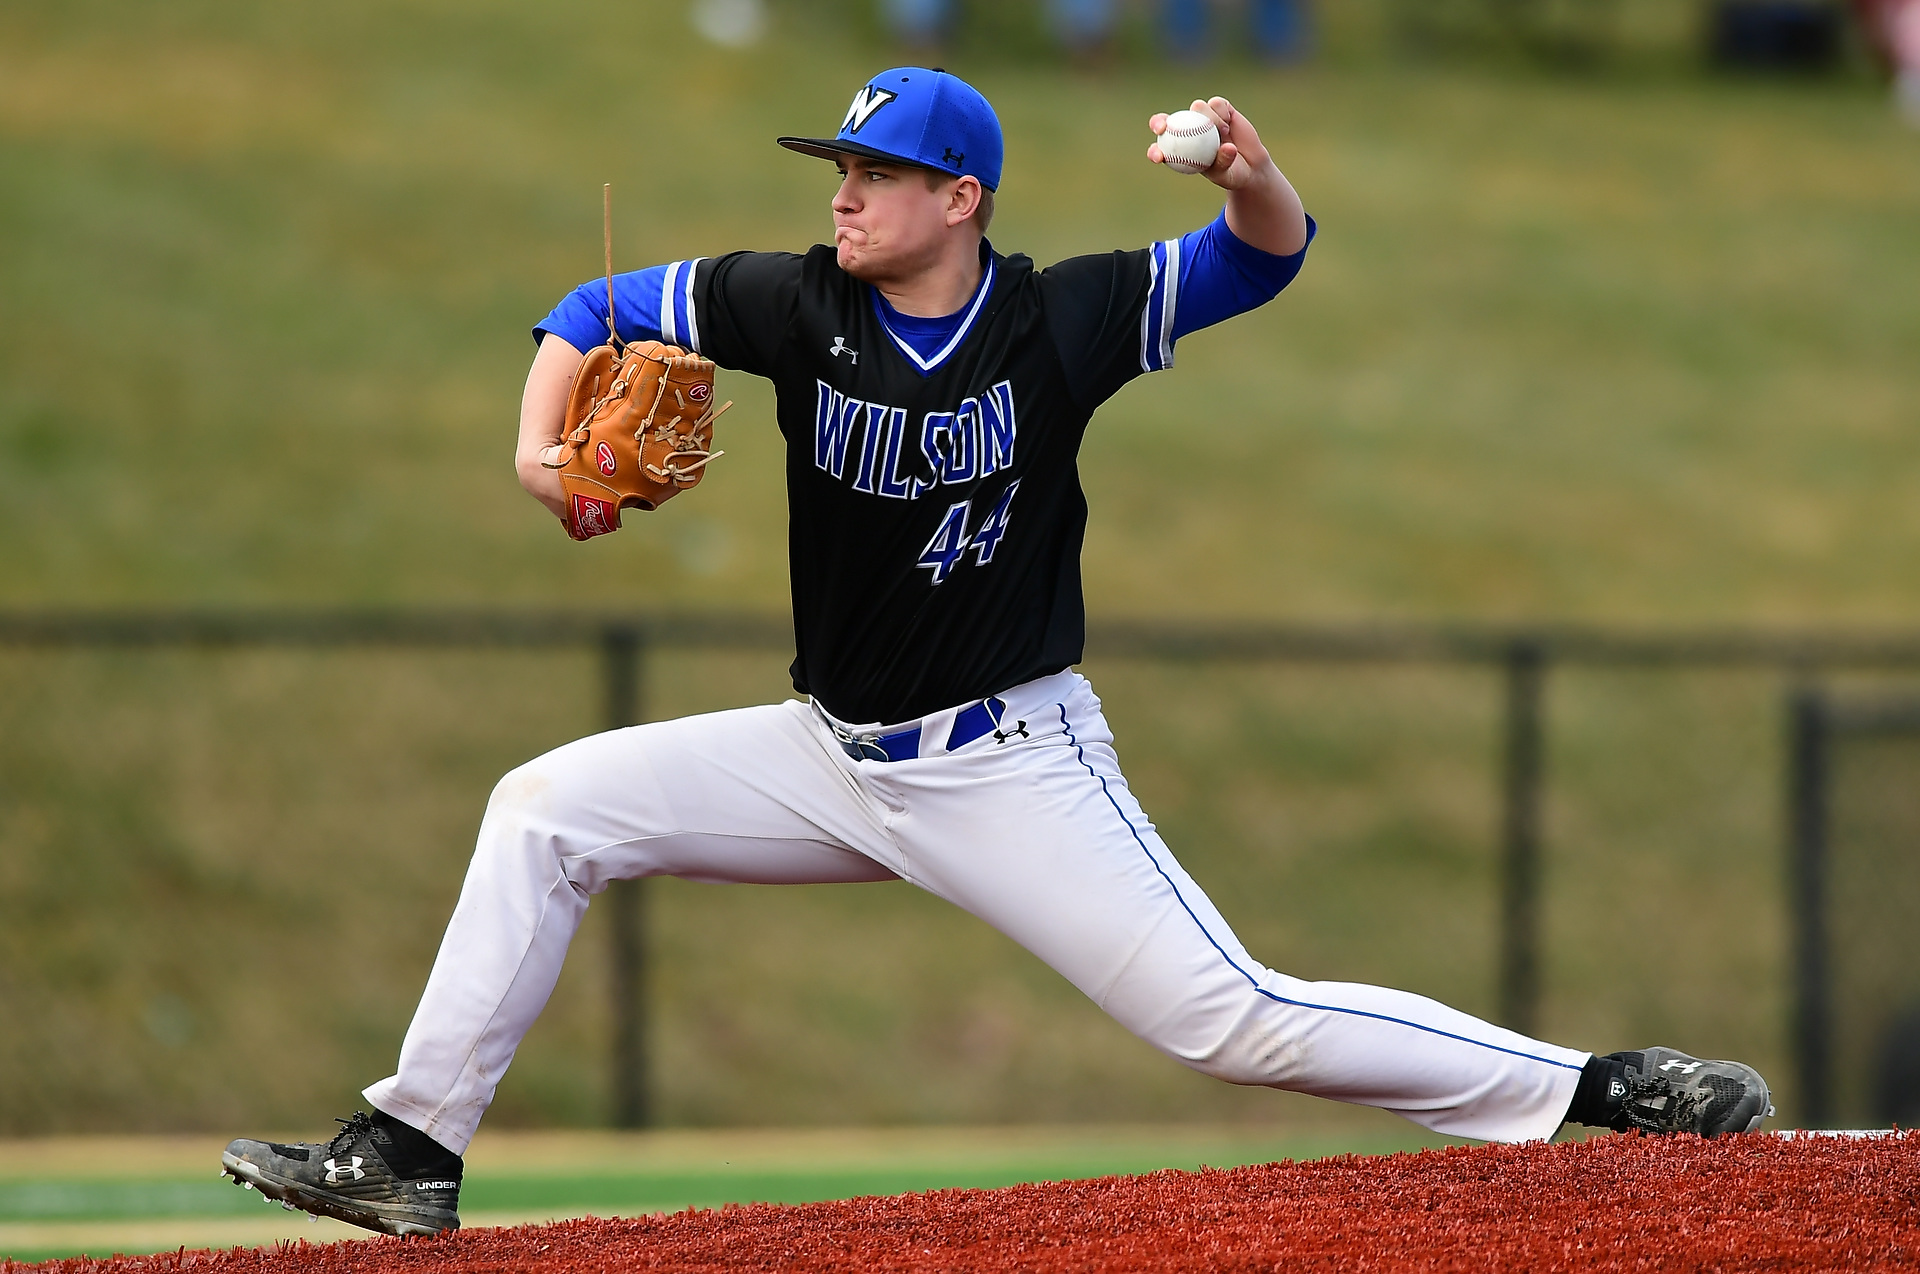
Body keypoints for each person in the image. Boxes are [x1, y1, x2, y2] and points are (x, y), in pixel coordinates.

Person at [220, 68, 1773, 1238]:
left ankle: (1600, 1087)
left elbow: (1266, 260)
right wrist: (539, 454)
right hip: (826, 756)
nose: (846, 192)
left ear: (961, 196)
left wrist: (1253, 170)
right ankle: (410, 1149)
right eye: (840, 165)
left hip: (1010, 759)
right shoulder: (794, 302)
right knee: (544, 807)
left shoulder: (1059, 320)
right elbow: (587, 303)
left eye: (880, 171)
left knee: (1225, 1013)